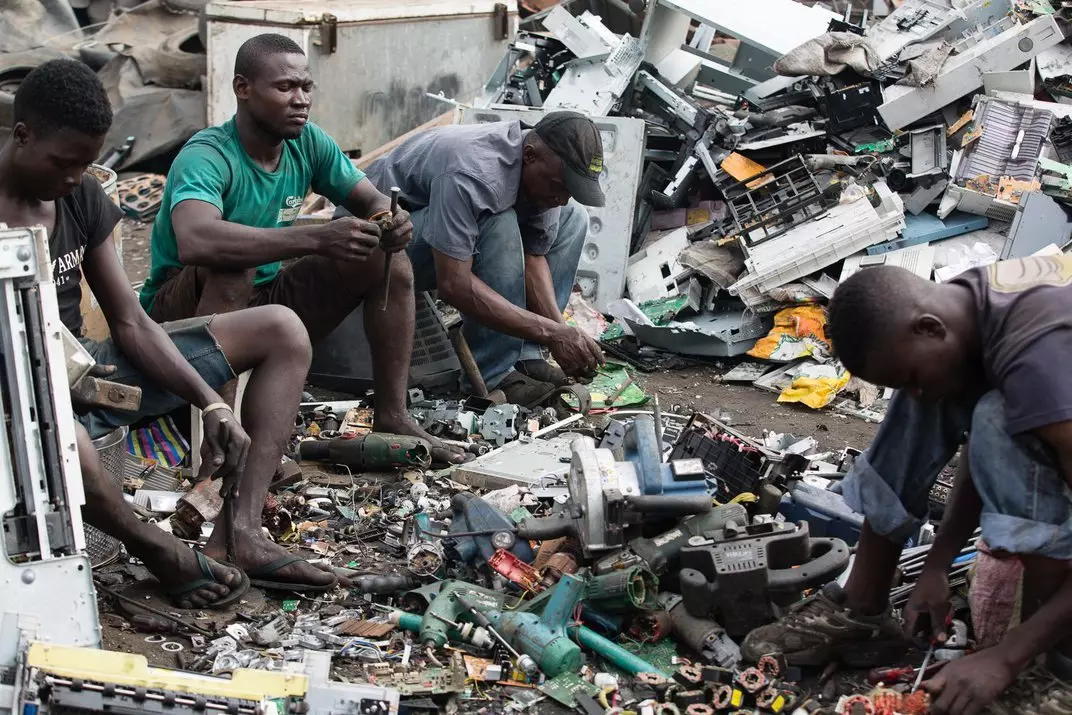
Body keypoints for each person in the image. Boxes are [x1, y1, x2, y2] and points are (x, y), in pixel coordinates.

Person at [1, 59, 338, 605]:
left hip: (91, 370)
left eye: (84, 165)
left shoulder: (79, 197)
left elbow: (131, 321)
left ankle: (241, 534)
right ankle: (161, 551)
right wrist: (56, 387)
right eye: (64, 163)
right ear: (22, 135)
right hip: (18, 399)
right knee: (67, 441)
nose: (71, 179)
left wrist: (211, 405)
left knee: (280, 329)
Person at [741, 260, 1072, 715]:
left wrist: (1006, 658)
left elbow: (1002, 428)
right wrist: (936, 565)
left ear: (931, 327)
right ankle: (864, 608)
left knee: (981, 406)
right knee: (935, 395)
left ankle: (1055, 668)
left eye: (911, 381)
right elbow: (982, 448)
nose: (915, 393)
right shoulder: (966, 311)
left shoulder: (1040, 362)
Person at [138, 33, 462, 464]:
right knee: (235, 263)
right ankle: (220, 440)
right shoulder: (208, 155)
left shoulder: (307, 142)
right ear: (243, 88)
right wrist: (316, 238)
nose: (300, 99)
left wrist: (391, 220)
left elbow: (370, 199)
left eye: (306, 87)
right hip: (178, 315)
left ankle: (393, 414)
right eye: (285, 87)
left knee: (386, 258)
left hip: (263, 300)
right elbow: (196, 241)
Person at [340, 112, 607, 402]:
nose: (562, 197)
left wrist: (559, 332)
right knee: (497, 220)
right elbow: (454, 284)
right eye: (559, 186)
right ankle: (494, 374)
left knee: (573, 218)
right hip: (368, 244)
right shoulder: (475, 171)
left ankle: (526, 357)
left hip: (429, 226)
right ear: (530, 156)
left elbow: (533, 257)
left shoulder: (542, 168)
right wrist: (552, 332)